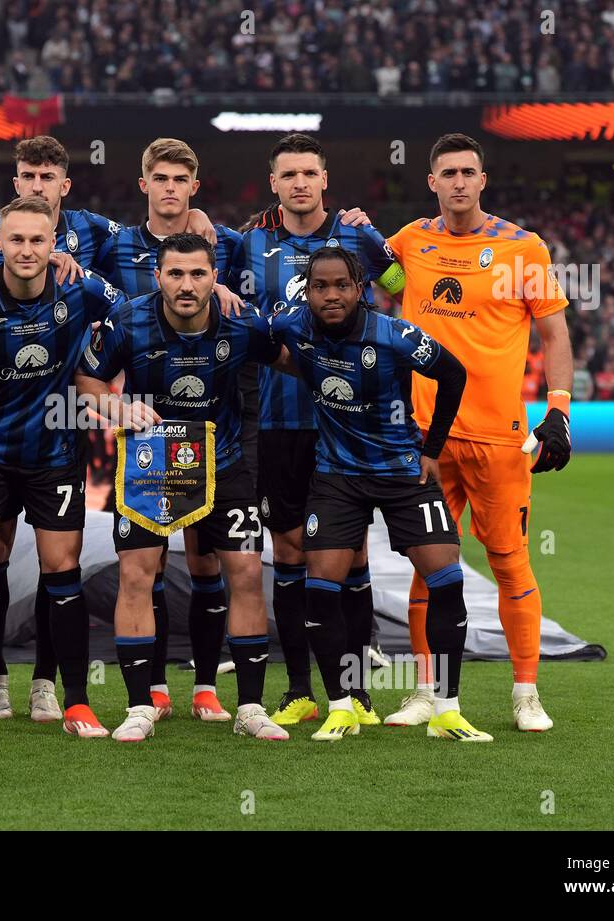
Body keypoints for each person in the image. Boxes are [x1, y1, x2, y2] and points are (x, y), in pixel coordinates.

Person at [0, 135, 219, 723]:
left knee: (70, 566)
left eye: (48, 177)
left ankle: (54, 687)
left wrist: (209, 278)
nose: (37, 186)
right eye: (27, 177)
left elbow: (147, 274)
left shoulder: (95, 240)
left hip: (58, 435)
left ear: (64, 188)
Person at [384, 133, 571, 732]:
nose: (459, 181)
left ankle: (525, 692)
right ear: (432, 181)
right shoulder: (408, 243)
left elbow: (556, 335)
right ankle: (423, 690)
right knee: (426, 564)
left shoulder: (524, 248)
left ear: (482, 180)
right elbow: (360, 279)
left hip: (498, 437)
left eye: (469, 171)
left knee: (510, 561)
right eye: (448, 173)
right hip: (424, 442)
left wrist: (560, 412)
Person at [74, 232, 290, 743]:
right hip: (152, 458)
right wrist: (118, 408)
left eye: (198, 274)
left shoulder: (241, 322)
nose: (187, 284)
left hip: (224, 459)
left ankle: (252, 707)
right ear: (158, 277)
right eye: (176, 273)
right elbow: (87, 384)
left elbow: (289, 358)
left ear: (215, 278)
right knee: (136, 574)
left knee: (243, 571)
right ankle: (138, 705)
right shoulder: (127, 320)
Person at [270, 246, 489, 742]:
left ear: (360, 288)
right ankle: (342, 706)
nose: (330, 295)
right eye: (319, 286)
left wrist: (433, 448)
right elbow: (256, 339)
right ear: (308, 291)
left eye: (341, 286)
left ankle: (447, 709)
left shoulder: (394, 335)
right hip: (336, 475)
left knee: (447, 581)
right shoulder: (290, 325)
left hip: (402, 473)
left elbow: (453, 374)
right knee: (320, 587)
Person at [0, 196, 126, 741]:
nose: (27, 250)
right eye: (17, 239)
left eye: (38, 240)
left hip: (54, 452)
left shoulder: (81, 290)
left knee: (61, 572)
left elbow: (138, 310)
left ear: (53, 244)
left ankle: (75, 701)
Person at [225, 133, 404, 729]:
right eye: (288, 174)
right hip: (278, 420)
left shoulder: (355, 236)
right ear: (273, 183)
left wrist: (380, 240)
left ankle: (358, 691)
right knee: (290, 550)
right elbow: (212, 291)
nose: (299, 183)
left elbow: (406, 289)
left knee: (348, 553)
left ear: (325, 179)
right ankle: (299, 688)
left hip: (349, 422)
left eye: (309, 173)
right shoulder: (250, 242)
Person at [89, 137, 247, 721]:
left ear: (194, 187)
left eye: (181, 179)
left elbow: (282, 242)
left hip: (216, 423)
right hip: (146, 433)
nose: (171, 189)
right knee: (145, 564)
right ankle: (151, 689)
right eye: (161, 178)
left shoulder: (225, 244)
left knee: (210, 565)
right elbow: (60, 230)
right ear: (144, 184)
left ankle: (206, 688)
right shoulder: (113, 243)